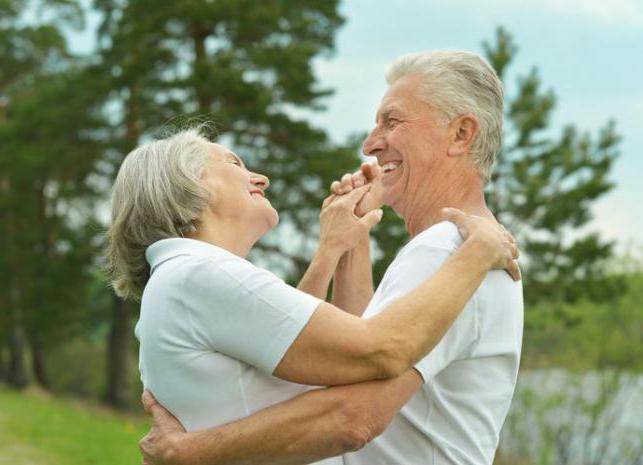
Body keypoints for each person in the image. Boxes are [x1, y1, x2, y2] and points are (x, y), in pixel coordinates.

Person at [136, 49, 524, 465]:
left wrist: (188, 451)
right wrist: (351, 244)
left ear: (462, 134)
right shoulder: (447, 249)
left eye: (391, 121)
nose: (370, 143)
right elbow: (353, 359)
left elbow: (354, 415)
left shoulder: (450, 251)